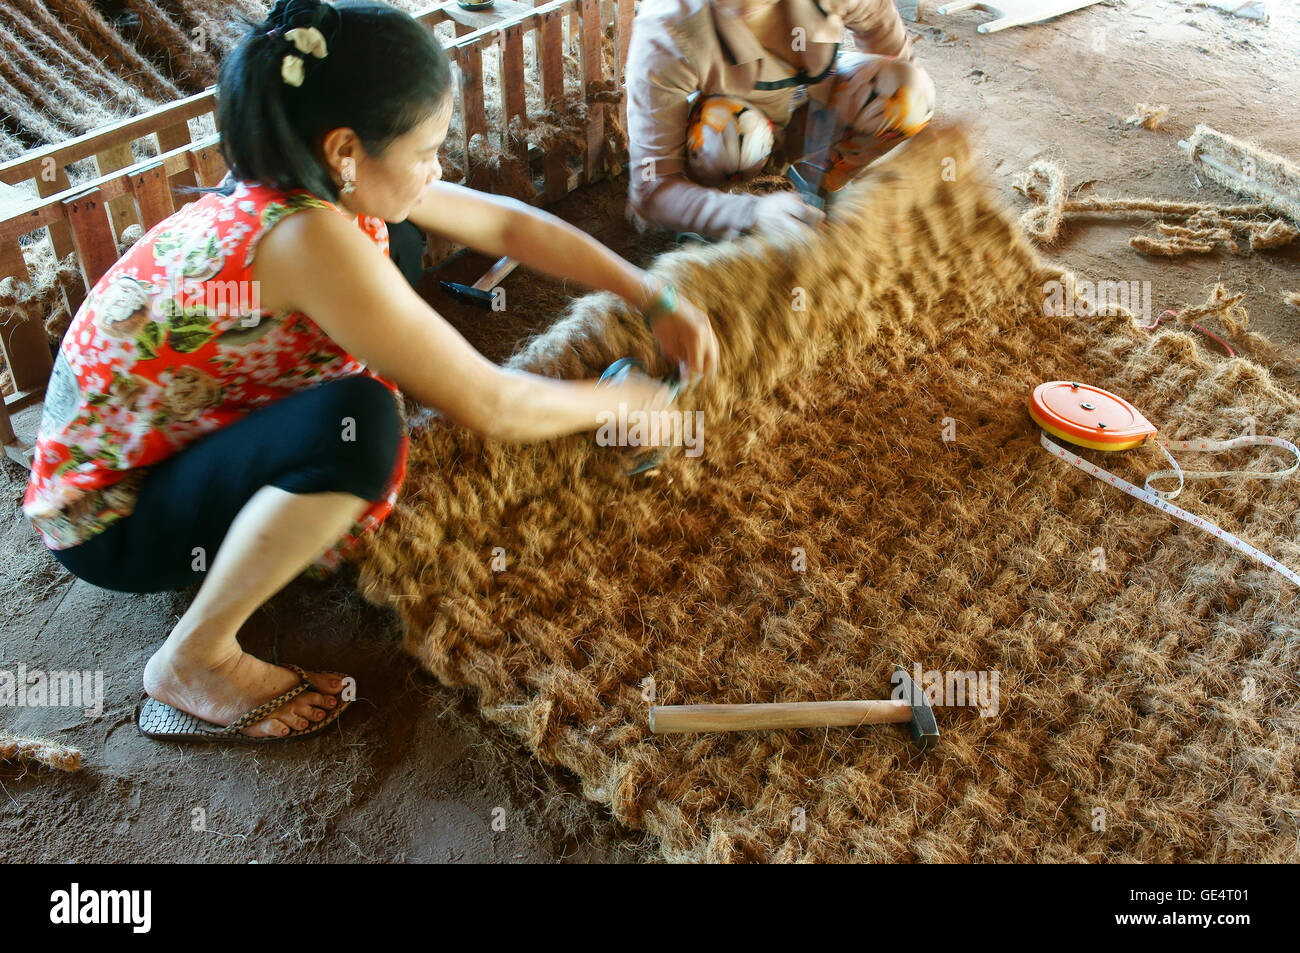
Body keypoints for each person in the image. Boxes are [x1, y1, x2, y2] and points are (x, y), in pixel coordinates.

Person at [22, 0, 719, 742]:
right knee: (359, 428)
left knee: (402, 237)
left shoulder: (303, 180)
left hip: (161, 440)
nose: (437, 166)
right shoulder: (303, 243)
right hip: (109, 519)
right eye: (426, 149)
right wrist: (619, 404)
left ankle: (274, 511)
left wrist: (651, 293)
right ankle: (193, 659)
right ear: (346, 151)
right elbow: (491, 403)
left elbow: (506, 224)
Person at [625, 0, 936, 241]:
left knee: (908, 100)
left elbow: (888, 42)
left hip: (813, 101)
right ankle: (722, 206)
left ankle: (818, 184)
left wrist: (871, 90)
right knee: (731, 141)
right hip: (738, 131)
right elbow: (652, 189)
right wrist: (750, 212)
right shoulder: (669, 33)